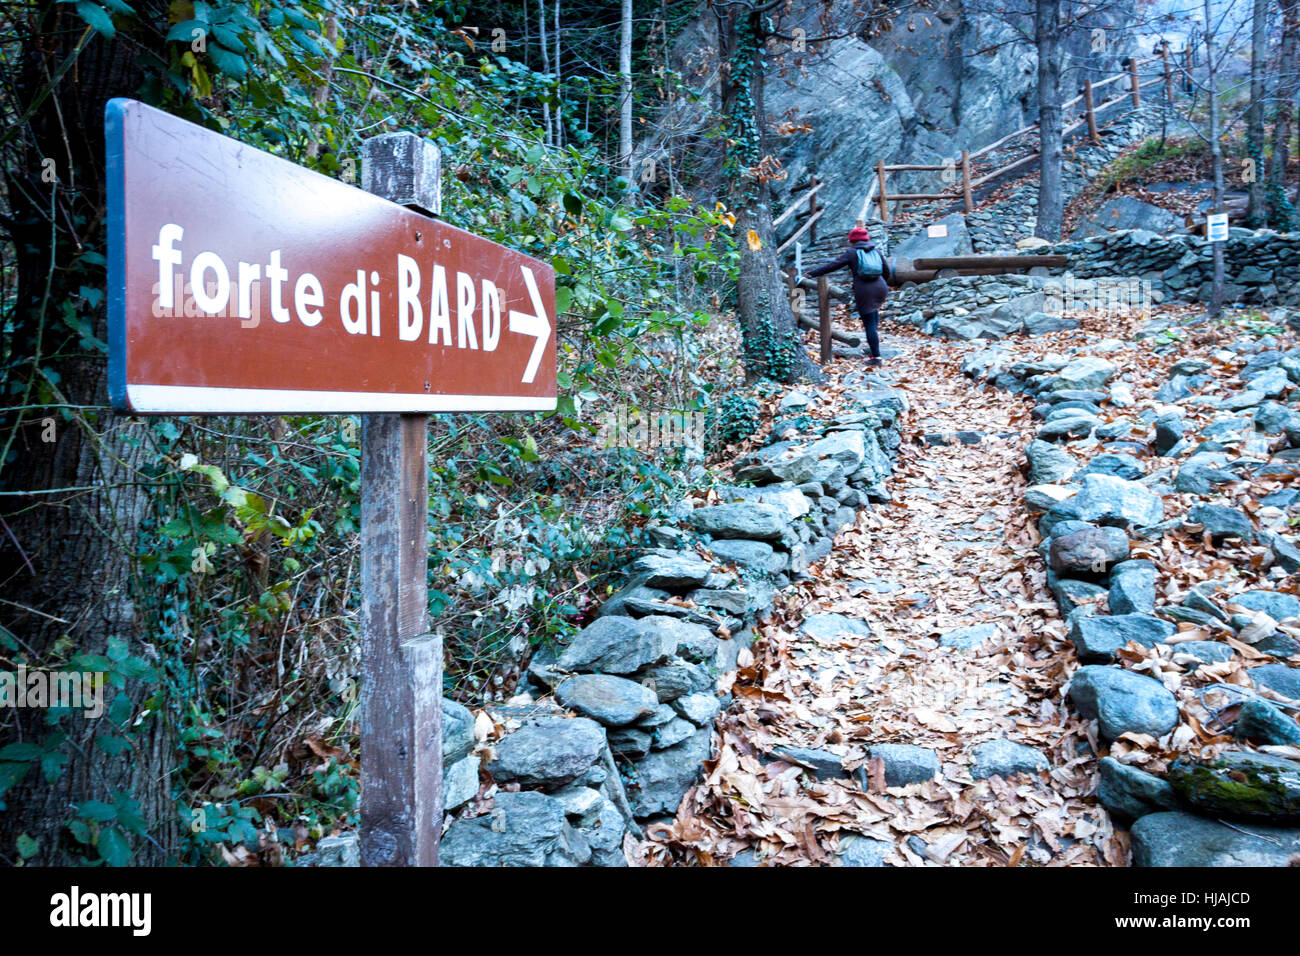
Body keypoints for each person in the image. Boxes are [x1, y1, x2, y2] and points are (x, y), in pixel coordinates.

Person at [799, 224, 894, 366]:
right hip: (881, 287)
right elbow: (886, 272)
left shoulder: (851, 252)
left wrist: (811, 273)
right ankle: (875, 350)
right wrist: (879, 284)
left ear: (852, 240)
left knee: (869, 324)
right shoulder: (877, 251)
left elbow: (833, 266)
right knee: (873, 320)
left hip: (865, 290)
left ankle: (877, 357)